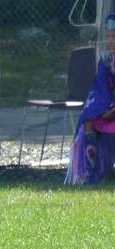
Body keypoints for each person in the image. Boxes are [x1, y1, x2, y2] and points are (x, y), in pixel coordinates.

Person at [66, 16, 115, 185]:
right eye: (108, 36)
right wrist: (103, 111)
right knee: (89, 123)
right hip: (109, 108)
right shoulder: (107, 60)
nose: (110, 41)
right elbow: (99, 88)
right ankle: (91, 174)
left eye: (114, 37)